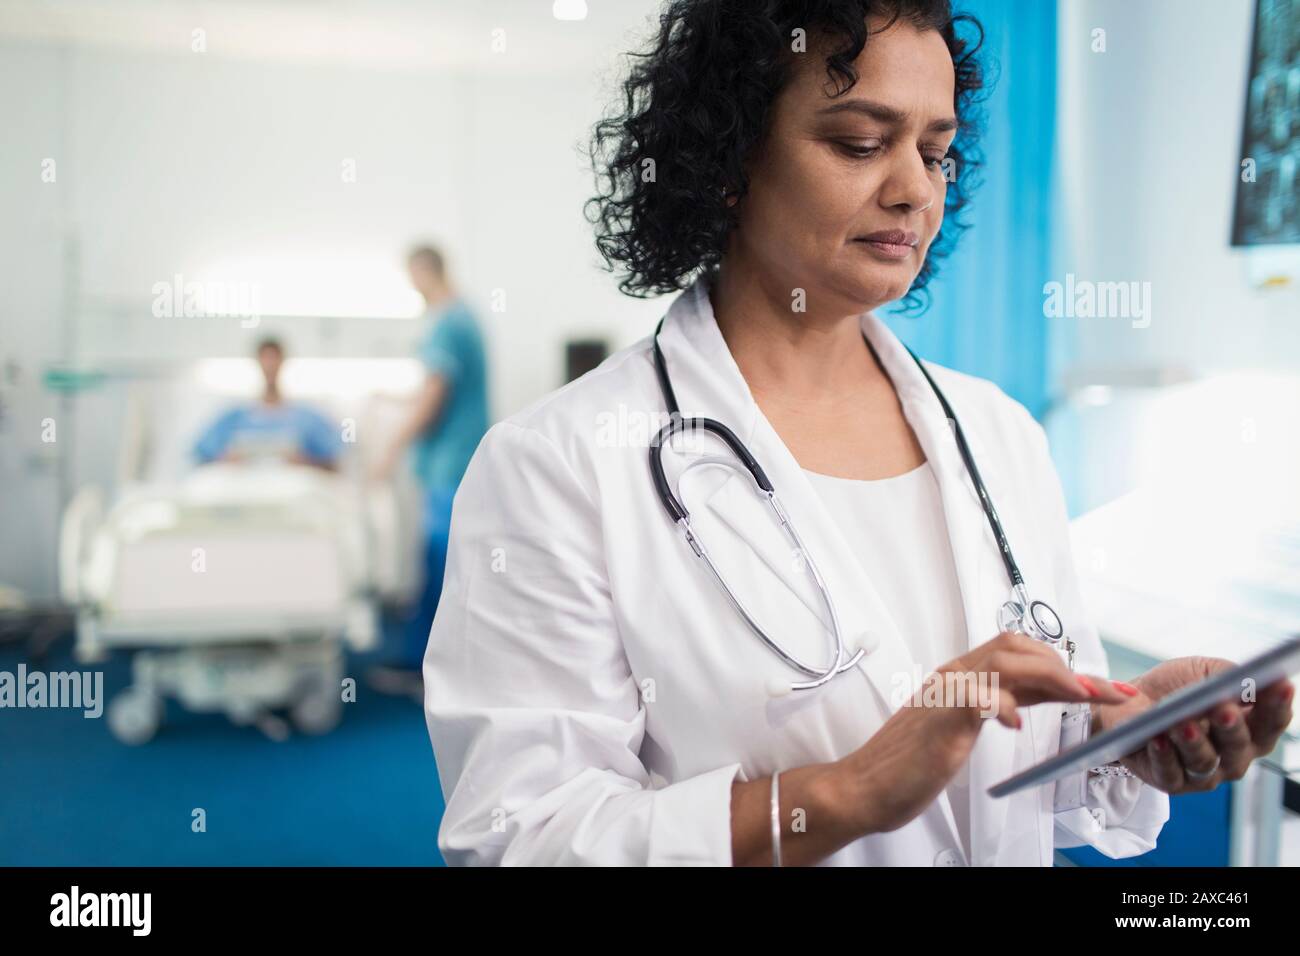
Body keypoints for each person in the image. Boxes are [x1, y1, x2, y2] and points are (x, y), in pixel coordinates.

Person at [423, 0, 1295, 866]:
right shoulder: (558, 465)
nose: (915, 188)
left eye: (935, 151)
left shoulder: (998, 434)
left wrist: (1116, 725)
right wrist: (847, 792)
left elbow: (1022, 774)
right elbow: (522, 838)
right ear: (728, 159)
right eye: (858, 143)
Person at [370, 245, 489, 694]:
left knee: (440, 563)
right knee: (445, 561)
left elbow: (434, 400)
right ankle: (433, 664)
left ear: (424, 271)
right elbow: (436, 392)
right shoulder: (466, 317)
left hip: (449, 464)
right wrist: (394, 400)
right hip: (458, 459)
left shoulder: (447, 323)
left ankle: (433, 670)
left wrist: (390, 450)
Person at [193, 337, 340, 470]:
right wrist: (224, 460)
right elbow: (199, 458)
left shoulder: (308, 419)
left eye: (274, 358)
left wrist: (305, 462)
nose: (270, 365)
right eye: (265, 358)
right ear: (257, 362)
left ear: (283, 361)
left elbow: (334, 464)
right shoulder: (232, 417)